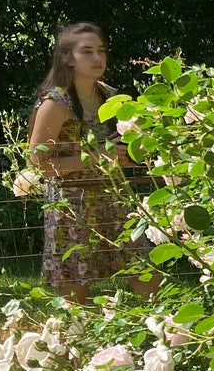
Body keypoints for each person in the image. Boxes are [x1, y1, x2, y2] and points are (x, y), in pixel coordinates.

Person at [28, 22, 150, 302]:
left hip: (116, 199)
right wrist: (94, 159)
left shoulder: (111, 96)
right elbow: (37, 163)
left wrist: (130, 156)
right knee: (75, 286)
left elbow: (126, 145)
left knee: (144, 268)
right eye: (87, 52)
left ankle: (166, 339)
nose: (97, 58)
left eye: (101, 51)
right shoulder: (56, 103)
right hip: (72, 207)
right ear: (68, 58)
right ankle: (73, 343)